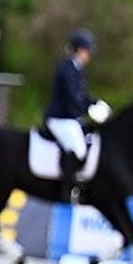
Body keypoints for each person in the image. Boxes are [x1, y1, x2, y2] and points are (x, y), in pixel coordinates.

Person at [43, 29, 109, 201]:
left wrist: (94, 103)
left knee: (88, 142)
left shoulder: (76, 68)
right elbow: (71, 97)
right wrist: (88, 110)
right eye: (88, 51)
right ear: (80, 50)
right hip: (60, 118)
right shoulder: (66, 69)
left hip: (70, 118)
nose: (89, 55)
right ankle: (66, 190)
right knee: (78, 150)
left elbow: (81, 95)